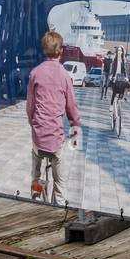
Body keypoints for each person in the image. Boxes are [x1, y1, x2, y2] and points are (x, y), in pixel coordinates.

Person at [26, 31, 80, 203]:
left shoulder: (35, 73)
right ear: (60, 51)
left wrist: (33, 123)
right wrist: (75, 126)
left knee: (36, 161)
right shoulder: (65, 75)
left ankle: (36, 189)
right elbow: (71, 107)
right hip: (56, 138)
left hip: (39, 135)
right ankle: (58, 202)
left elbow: (30, 106)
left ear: (44, 50)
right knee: (60, 181)